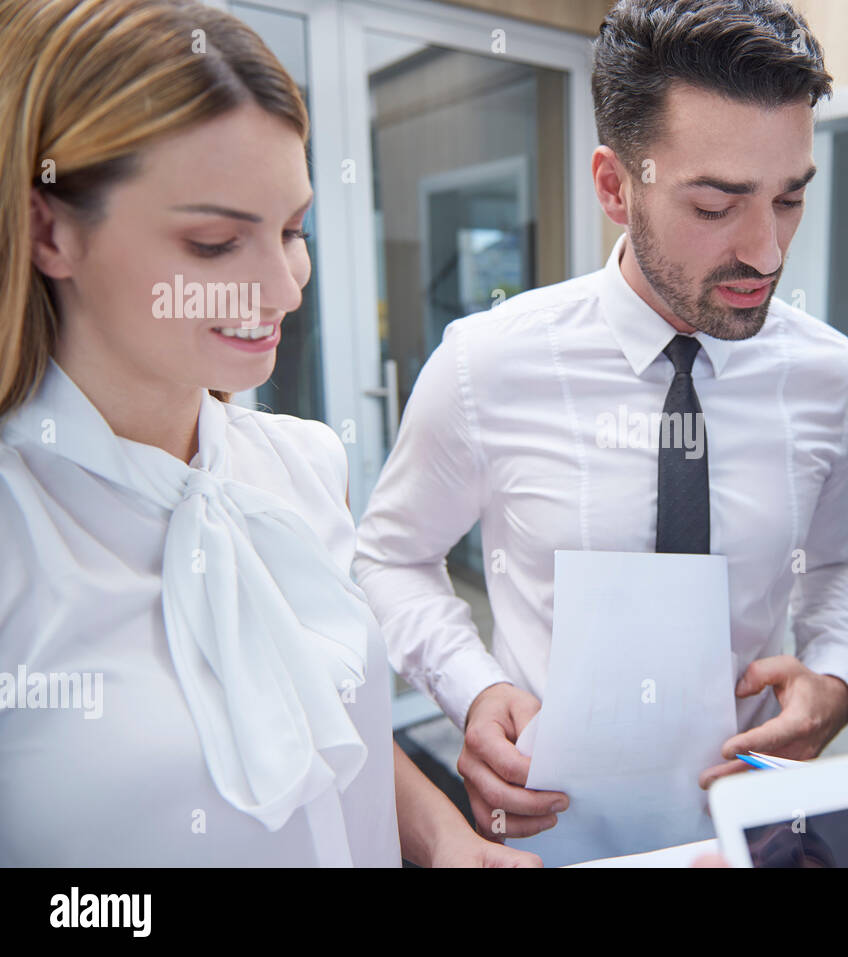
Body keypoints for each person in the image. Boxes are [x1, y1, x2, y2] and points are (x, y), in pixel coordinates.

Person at [0, 0, 536, 867]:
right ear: (49, 229)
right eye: (215, 243)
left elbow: (313, 726)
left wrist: (442, 838)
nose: (285, 290)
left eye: (294, 231)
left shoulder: (305, 465)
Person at [354, 0, 848, 845]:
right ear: (614, 186)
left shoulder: (827, 375)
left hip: (760, 828)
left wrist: (835, 678)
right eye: (717, 205)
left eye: (789, 199)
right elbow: (390, 556)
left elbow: (842, 560)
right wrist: (474, 689)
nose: (768, 252)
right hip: (543, 834)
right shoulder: (485, 364)